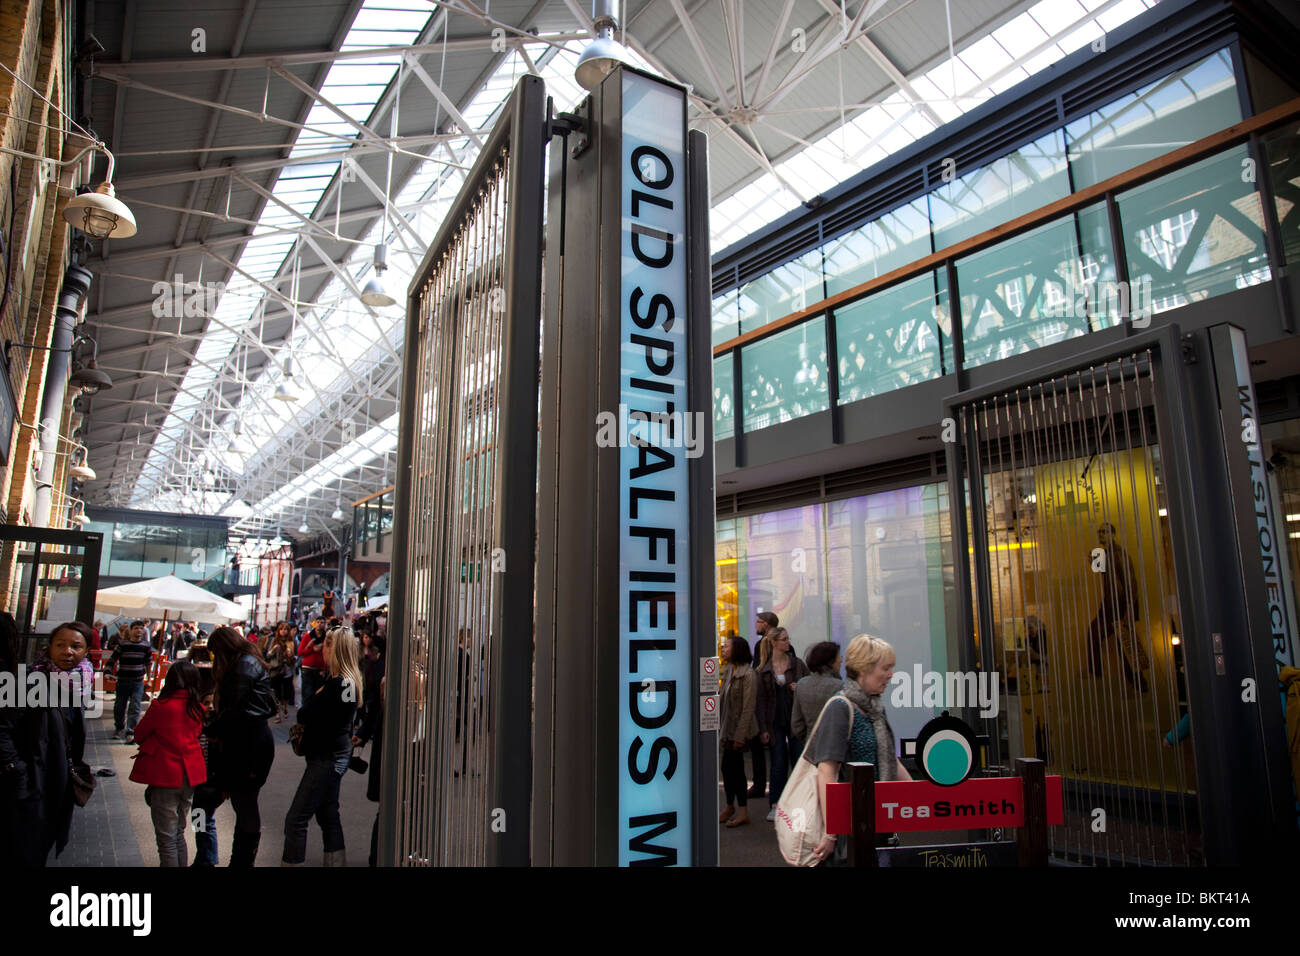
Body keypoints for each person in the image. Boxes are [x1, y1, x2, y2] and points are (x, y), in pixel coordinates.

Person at [804, 634, 912, 865]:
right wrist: (831, 832)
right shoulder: (840, 707)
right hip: (851, 826)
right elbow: (827, 771)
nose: (891, 675)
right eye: (886, 668)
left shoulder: (874, 707)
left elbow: (890, 760)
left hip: (877, 819)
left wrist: (921, 800)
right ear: (864, 669)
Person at [0, 621, 96, 866]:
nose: (68, 651)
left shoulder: (79, 684)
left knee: (41, 844)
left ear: (86, 651)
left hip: (57, 784)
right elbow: (3, 729)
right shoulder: (30, 680)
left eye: (76, 646)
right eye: (60, 645)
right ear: (49, 647)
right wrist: (17, 770)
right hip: (31, 783)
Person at [282, 626, 362, 866]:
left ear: (333, 648)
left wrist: (315, 703)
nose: (322, 651)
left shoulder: (342, 683)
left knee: (296, 819)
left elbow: (329, 717)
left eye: (326, 646)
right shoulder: (340, 682)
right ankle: (336, 861)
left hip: (327, 757)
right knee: (327, 814)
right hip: (332, 755)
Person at [207, 626, 276, 867]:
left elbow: (234, 709)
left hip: (248, 744)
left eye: (215, 652)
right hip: (252, 741)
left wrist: (211, 728)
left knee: (244, 803)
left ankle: (241, 862)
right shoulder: (249, 661)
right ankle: (240, 860)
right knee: (244, 802)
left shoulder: (243, 665)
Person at [129, 660, 206, 867]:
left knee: (166, 838)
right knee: (178, 832)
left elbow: (138, 734)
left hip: (165, 775)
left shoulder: (161, 707)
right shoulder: (197, 708)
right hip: (190, 775)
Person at [756, 626, 809, 820]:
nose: (788, 642)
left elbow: (809, 686)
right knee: (778, 764)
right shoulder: (763, 670)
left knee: (798, 762)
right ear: (774, 643)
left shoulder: (797, 664)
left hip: (795, 720)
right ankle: (776, 803)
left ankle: (799, 803)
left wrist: (799, 688)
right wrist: (762, 728)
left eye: (788, 639)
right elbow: (760, 701)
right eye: (784, 639)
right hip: (774, 721)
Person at [1086, 523, 1148, 692]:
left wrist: (1128, 609)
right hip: (1108, 605)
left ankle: (1138, 682)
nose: (1101, 534)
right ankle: (1098, 675)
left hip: (1119, 605)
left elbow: (1130, 583)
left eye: (1104, 532)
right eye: (1099, 532)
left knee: (1124, 646)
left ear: (1113, 534)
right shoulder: (1106, 554)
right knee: (1096, 635)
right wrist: (1092, 557)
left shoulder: (1119, 554)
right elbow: (1100, 572)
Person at [718, 636, 758, 829]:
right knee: (727, 768)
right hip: (727, 729)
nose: (723, 649)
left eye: (726, 647)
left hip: (739, 731)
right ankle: (730, 806)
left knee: (736, 770)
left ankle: (741, 811)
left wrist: (740, 737)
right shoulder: (728, 670)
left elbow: (748, 708)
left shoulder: (748, 675)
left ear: (737, 650)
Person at [747, 611, 778, 800]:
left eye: (758, 621)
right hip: (771, 701)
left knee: (758, 743)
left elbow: (757, 672)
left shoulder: (763, 644)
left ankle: (760, 785)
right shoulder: (779, 644)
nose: (756, 625)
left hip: (764, 700)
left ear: (766, 624)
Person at [792, 641, 843, 745]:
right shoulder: (839, 686)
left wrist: (808, 738)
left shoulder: (802, 684)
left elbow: (796, 724)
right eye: (839, 657)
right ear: (830, 662)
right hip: (834, 748)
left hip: (810, 745)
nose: (841, 660)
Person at [110, 620, 153, 743]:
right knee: (119, 705)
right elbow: (113, 659)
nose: (139, 630)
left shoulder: (146, 646)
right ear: (131, 630)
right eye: (136, 628)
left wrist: (149, 679)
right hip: (122, 680)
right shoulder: (122, 644)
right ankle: (119, 727)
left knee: (135, 706)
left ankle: (130, 730)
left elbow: (148, 663)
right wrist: (107, 672)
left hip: (137, 681)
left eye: (141, 628)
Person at [299, 620, 327, 703]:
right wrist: (312, 648)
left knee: (318, 694)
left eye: (322, 622)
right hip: (307, 668)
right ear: (314, 624)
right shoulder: (308, 637)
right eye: (318, 622)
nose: (319, 624)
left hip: (319, 670)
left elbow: (329, 654)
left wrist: (324, 669)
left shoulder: (326, 638)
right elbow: (300, 652)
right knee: (307, 693)